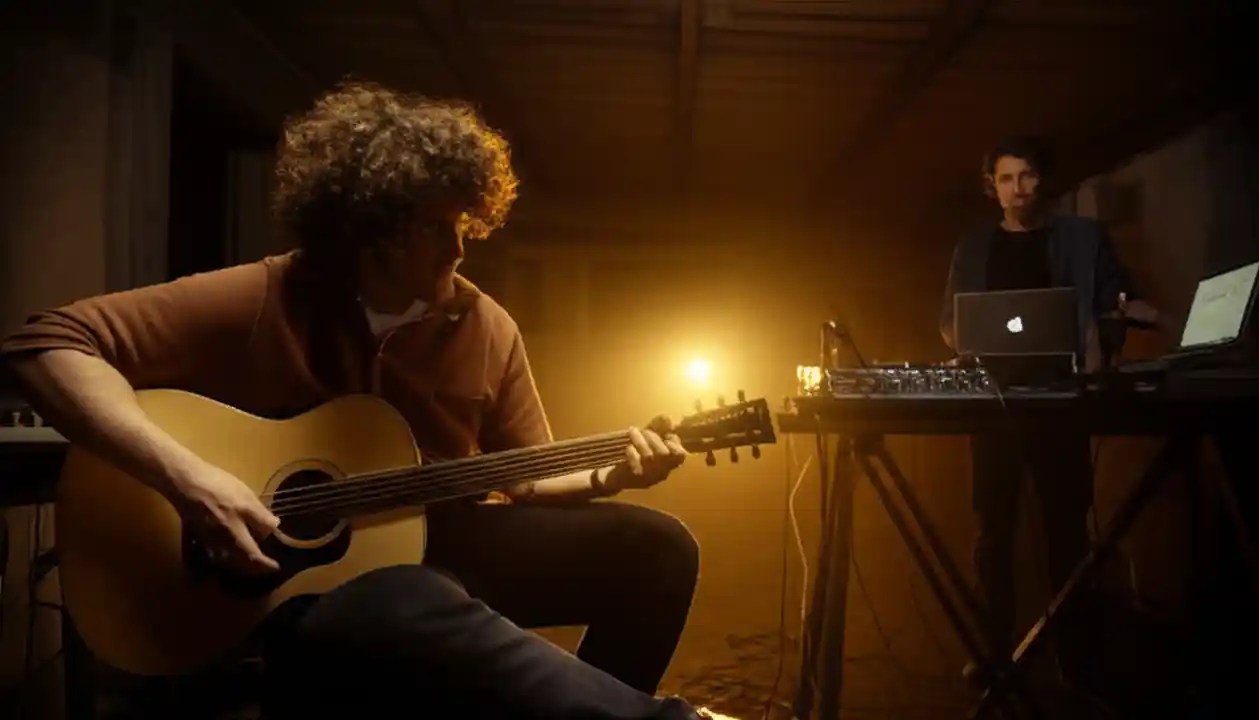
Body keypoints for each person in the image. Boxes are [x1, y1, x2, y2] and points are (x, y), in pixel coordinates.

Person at [0, 81, 738, 719]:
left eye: (466, 222)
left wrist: (613, 473)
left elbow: (524, 476)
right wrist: (191, 482)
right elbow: (45, 345)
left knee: (657, 547)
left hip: (440, 545)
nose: (460, 247)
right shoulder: (264, 297)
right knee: (399, 596)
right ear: (371, 228)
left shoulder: (483, 325)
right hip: (290, 583)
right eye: (438, 226)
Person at [938, 137, 1158, 688]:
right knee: (994, 531)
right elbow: (950, 321)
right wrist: (965, 344)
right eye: (1008, 179)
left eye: (1029, 177)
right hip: (993, 404)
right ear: (993, 187)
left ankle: (1078, 657)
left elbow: (1117, 294)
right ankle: (993, 655)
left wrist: (1133, 313)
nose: (1019, 190)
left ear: (1043, 181)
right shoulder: (973, 248)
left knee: (1067, 530)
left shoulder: (1083, 239)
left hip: (1063, 400)